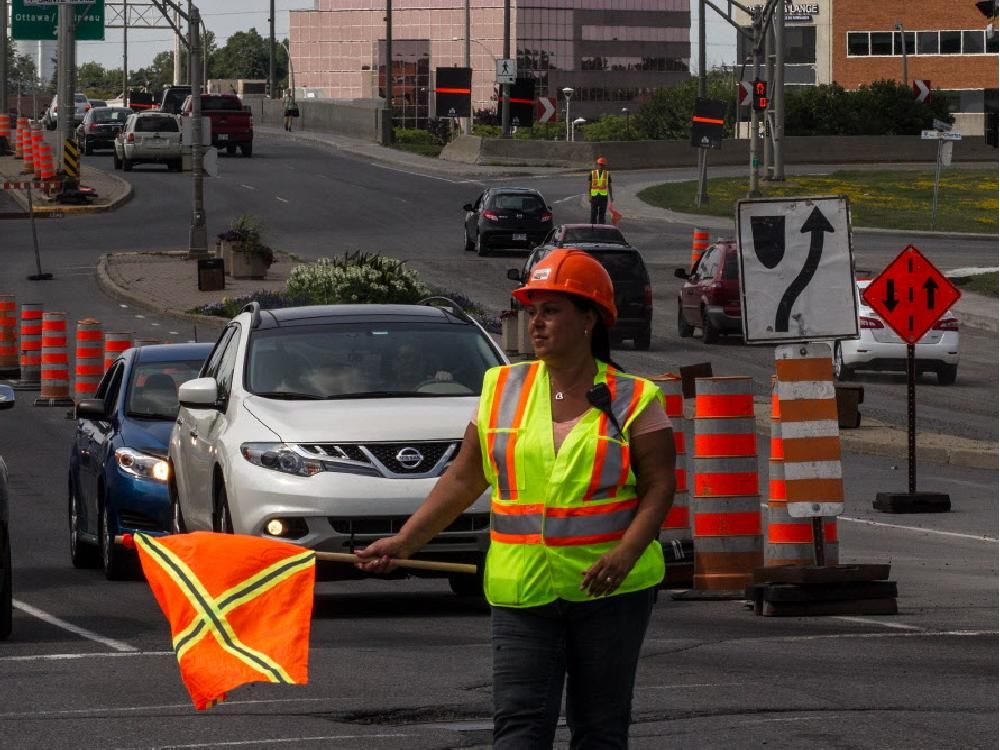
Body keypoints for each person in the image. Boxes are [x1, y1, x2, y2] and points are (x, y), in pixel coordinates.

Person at [356, 249, 676, 749]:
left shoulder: (635, 399)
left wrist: (626, 552)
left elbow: (660, 486)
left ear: (589, 318)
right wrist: (404, 542)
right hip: (523, 591)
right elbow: (463, 478)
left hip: (610, 592)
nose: (537, 324)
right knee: (518, 729)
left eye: (551, 311)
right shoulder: (502, 387)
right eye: (533, 311)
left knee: (600, 730)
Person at [589, 156, 612, 224]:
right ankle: (592, 227)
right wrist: (589, 196)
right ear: (598, 164)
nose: (601, 166)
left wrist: (611, 197)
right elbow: (589, 186)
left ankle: (601, 227)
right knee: (593, 213)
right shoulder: (592, 173)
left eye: (602, 165)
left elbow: (609, 186)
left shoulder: (607, 174)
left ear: (605, 166)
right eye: (600, 164)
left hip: (603, 197)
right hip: (594, 196)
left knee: (602, 213)